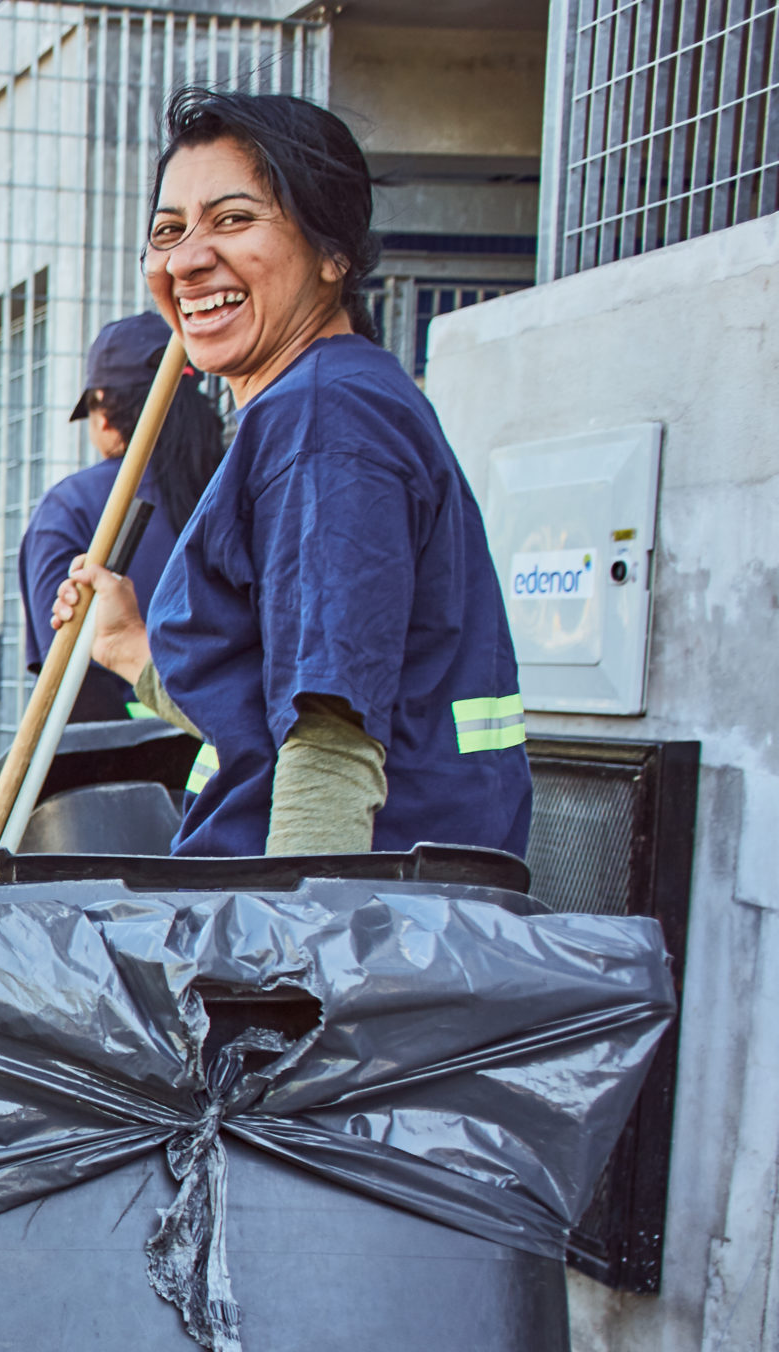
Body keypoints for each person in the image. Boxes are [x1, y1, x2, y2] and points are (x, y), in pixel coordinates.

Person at [57, 89, 532, 859]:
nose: (187, 259)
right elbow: (269, 712)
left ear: (332, 252)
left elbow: (330, 745)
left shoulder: (323, 420)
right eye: (168, 231)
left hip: (337, 940)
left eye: (233, 220)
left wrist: (289, 964)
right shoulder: (329, 405)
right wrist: (131, 646)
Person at [16, 313, 225, 722]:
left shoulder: (72, 507)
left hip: (122, 771)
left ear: (104, 413)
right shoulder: (236, 491)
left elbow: (66, 678)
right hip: (230, 765)